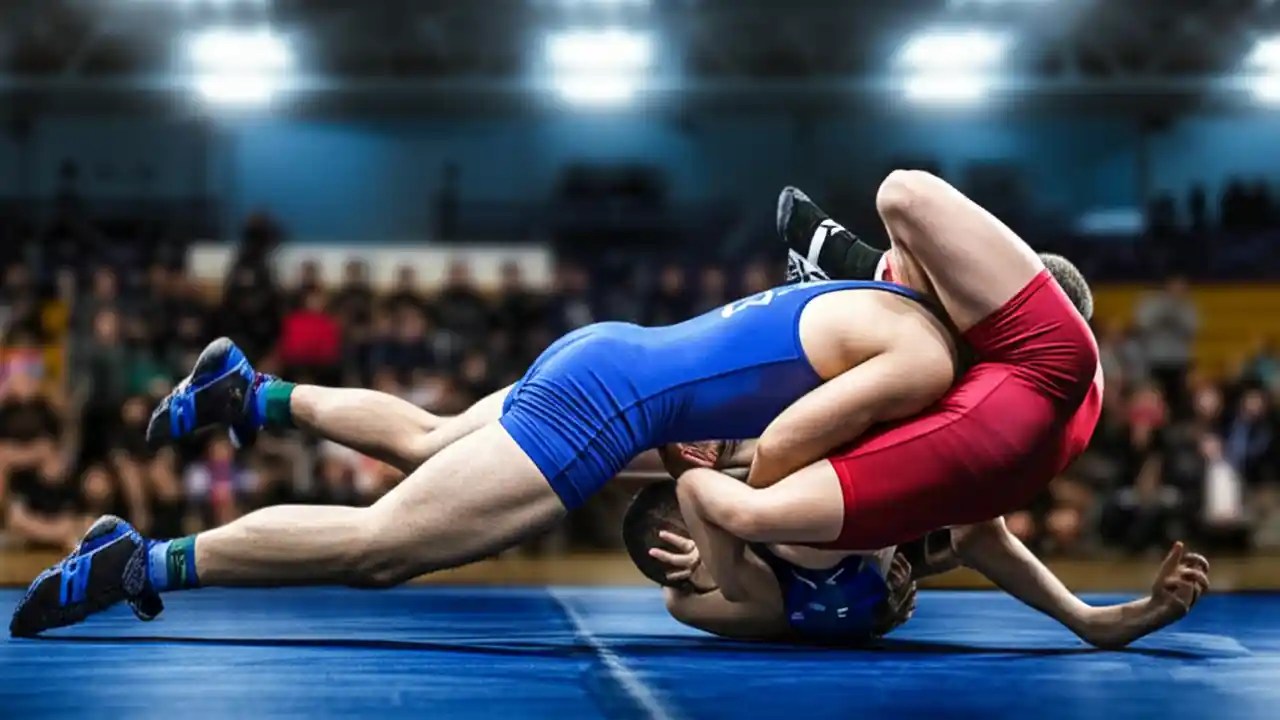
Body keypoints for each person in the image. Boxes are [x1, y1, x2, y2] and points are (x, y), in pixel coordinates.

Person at [12, 268, 959, 636]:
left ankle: (251, 393)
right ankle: (136, 560)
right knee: (382, 548)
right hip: (613, 404)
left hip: (615, 353)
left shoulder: (882, 316)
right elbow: (784, 456)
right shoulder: (920, 364)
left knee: (429, 441)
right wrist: (725, 491)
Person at [669, 176, 1103, 582]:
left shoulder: (972, 383)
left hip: (812, 491)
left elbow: (967, 525)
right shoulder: (947, 366)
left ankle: (862, 265)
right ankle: (862, 265)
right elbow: (968, 528)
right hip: (802, 477)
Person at [625, 481, 1210, 649]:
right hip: (836, 587)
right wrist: (868, 615)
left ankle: (1091, 621)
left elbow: (798, 613)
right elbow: (785, 614)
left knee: (977, 532)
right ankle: (1092, 623)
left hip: (847, 574)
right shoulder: (691, 596)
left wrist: (870, 611)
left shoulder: (768, 500)